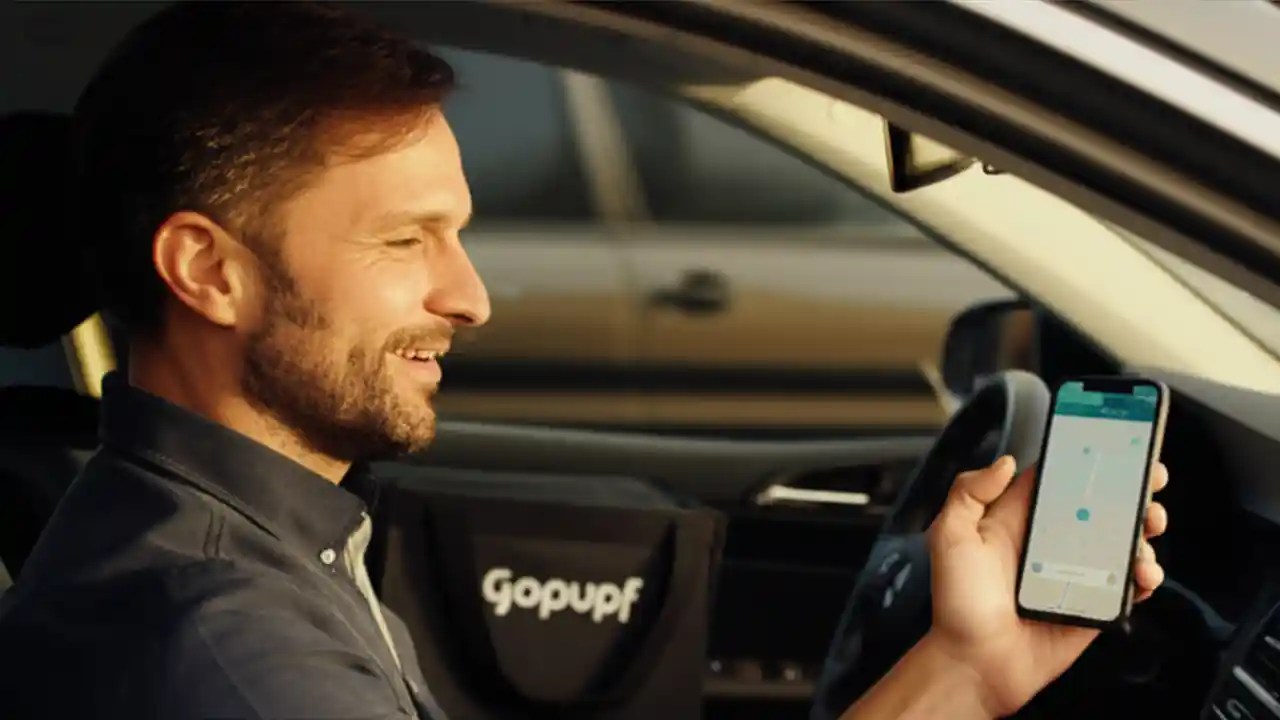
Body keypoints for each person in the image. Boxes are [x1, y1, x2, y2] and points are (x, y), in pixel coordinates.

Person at [0, 3, 1168, 719]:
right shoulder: (227, 650)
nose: (470, 298)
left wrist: (968, 663)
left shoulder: (251, 541)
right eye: (404, 241)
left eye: (456, 233)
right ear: (208, 272)